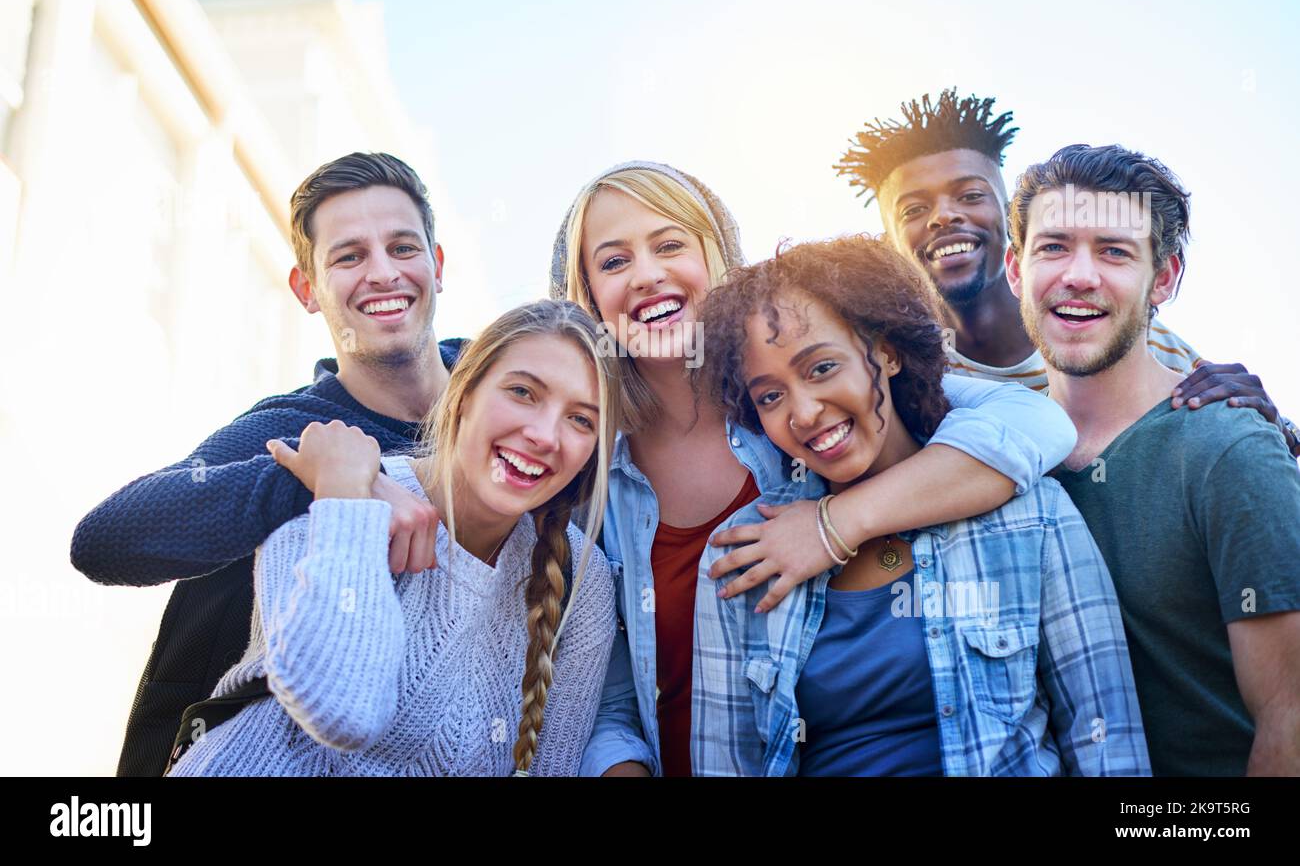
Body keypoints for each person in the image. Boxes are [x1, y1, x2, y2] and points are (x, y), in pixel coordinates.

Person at [550, 161, 1081, 776]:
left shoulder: (807, 412)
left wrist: (834, 523)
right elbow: (604, 698)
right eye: (614, 262)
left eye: (669, 245)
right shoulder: (586, 469)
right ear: (589, 297)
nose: (646, 275)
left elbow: (1037, 425)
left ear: (717, 254)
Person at [691, 235, 1148, 776]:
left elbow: (1108, 746)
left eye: (821, 368)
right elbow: (725, 765)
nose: (805, 412)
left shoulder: (1033, 514)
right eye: (770, 396)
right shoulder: (745, 551)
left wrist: (834, 526)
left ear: (886, 351)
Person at [71, 152, 460, 775]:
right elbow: (104, 539)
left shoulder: (515, 402)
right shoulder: (283, 431)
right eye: (349, 257)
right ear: (307, 290)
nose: (383, 273)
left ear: (437, 267)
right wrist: (327, 481)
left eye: (403, 248)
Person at [168, 299, 618, 776]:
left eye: (581, 419)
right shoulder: (337, 487)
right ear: (464, 391)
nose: (545, 435)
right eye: (523, 392)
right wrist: (345, 502)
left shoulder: (580, 579)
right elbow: (342, 711)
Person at [1005, 143, 1300, 775]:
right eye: (1053, 246)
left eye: (1114, 251)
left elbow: (1290, 717)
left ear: (1163, 278)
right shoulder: (998, 461)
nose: (1079, 275)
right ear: (1015, 269)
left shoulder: (1228, 451)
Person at [834, 89, 1299, 457]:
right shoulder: (895, 374)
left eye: (971, 196)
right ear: (889, 241)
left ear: (1010, 220)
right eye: (914, 209)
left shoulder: (1142, 343)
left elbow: (1254, 452)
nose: (943, 217)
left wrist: (1262, 421)